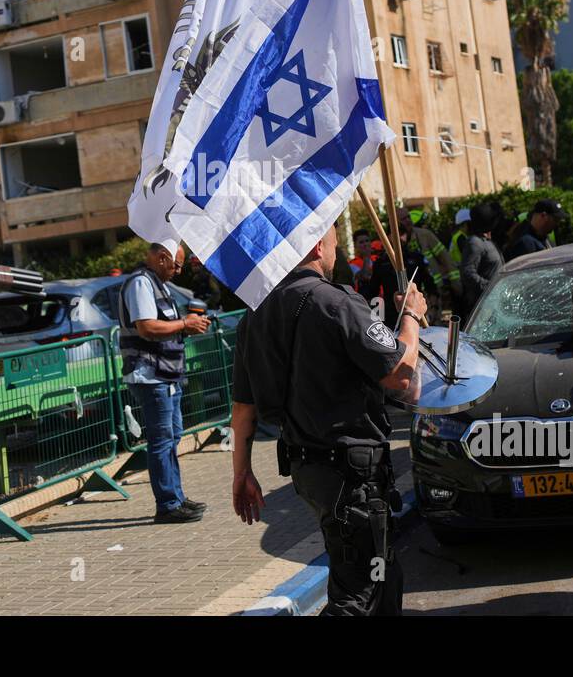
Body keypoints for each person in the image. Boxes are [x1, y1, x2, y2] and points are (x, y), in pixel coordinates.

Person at [229, 224, 427, 615]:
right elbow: (401, 373)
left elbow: (243, 410)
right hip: (351, 473)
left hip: (309, 469)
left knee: (381, 575)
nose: (336, 253)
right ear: (318, 244)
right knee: (360, 591)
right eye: (336, 244)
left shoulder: (255, 314)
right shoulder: (337, 303)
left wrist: (241, 474)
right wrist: (413, 318)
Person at [118, 243, 212, 524]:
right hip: (150, 374)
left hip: (165, 373)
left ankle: (176, 497)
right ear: (162, 258)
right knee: (161, 440)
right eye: (177, 265)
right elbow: (147, 327)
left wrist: (187, 325)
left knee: (172, 436)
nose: (179, 271)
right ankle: (168, 504)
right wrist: (185, 324)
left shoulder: (157, 284)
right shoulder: (141, 284)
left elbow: (164, 327)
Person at [459, 202, 503, 319]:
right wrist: (490, 287)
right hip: (483, 307)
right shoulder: (475, 242)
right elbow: (467, 272)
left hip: (493, 303)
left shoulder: (485, 240)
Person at [446, 208, 470, 306]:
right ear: (465, 224)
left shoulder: (458, 236)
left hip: (456, 275)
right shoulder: (461, 238)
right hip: (459, 276)